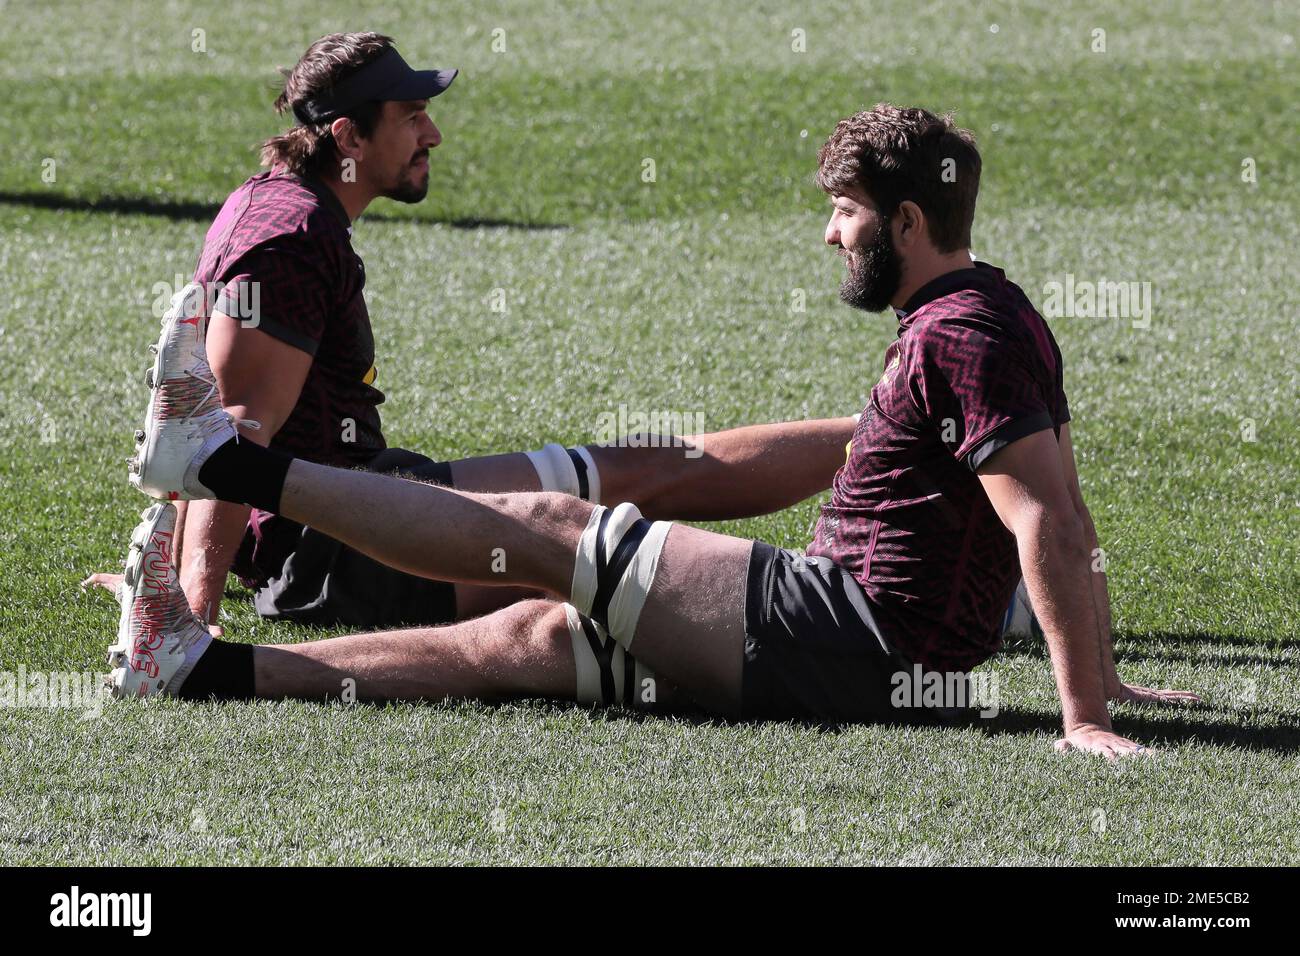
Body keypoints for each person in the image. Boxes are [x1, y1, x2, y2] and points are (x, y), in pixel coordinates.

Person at [108, 104, 1199, 757]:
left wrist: (1082, 713)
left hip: (852, 637)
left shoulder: (965, 335)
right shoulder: (985, 309)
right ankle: (198, 668)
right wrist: (1103, 672)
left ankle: (226, 459)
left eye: (848, 213)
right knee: (527, 640)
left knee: (550, 526)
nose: (830, 233)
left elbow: (1049, 518)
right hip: (838, 632)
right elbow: (1068, 495)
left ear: (907, 222)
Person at [85, 31, 855, 630]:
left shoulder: (277, 204)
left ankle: (878, 433)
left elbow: (205, 414)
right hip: (334, 550)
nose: (434, 134)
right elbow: (233, 426)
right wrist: (191, 609)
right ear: (349, 137)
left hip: (365, 499)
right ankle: (847, 587)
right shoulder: (291, 239)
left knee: (639, 473)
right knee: (615, 562)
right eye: (412, 117)